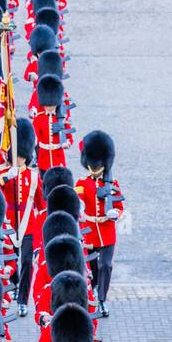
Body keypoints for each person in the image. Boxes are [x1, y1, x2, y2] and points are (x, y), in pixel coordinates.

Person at [76, 130, 124, 318]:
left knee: (106, 265)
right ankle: (94, 289)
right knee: (93, 267)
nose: (93, 169)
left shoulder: (112, 184)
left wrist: (115, 213)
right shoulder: (82, 181)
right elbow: (78, 195)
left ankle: (102, 299)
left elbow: (120, 206)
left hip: (107, 230)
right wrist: (78, 205)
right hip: (89, 231)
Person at [0, 117, 43, 316]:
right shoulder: (3, 174)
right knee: (11, 262)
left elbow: (41, 207)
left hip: (28, 225)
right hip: (8, 223)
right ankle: (15, 286)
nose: (18, 159)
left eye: (21, 156)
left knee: (26, 262)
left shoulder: (34, 176)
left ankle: (23, 299)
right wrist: (5, 177)